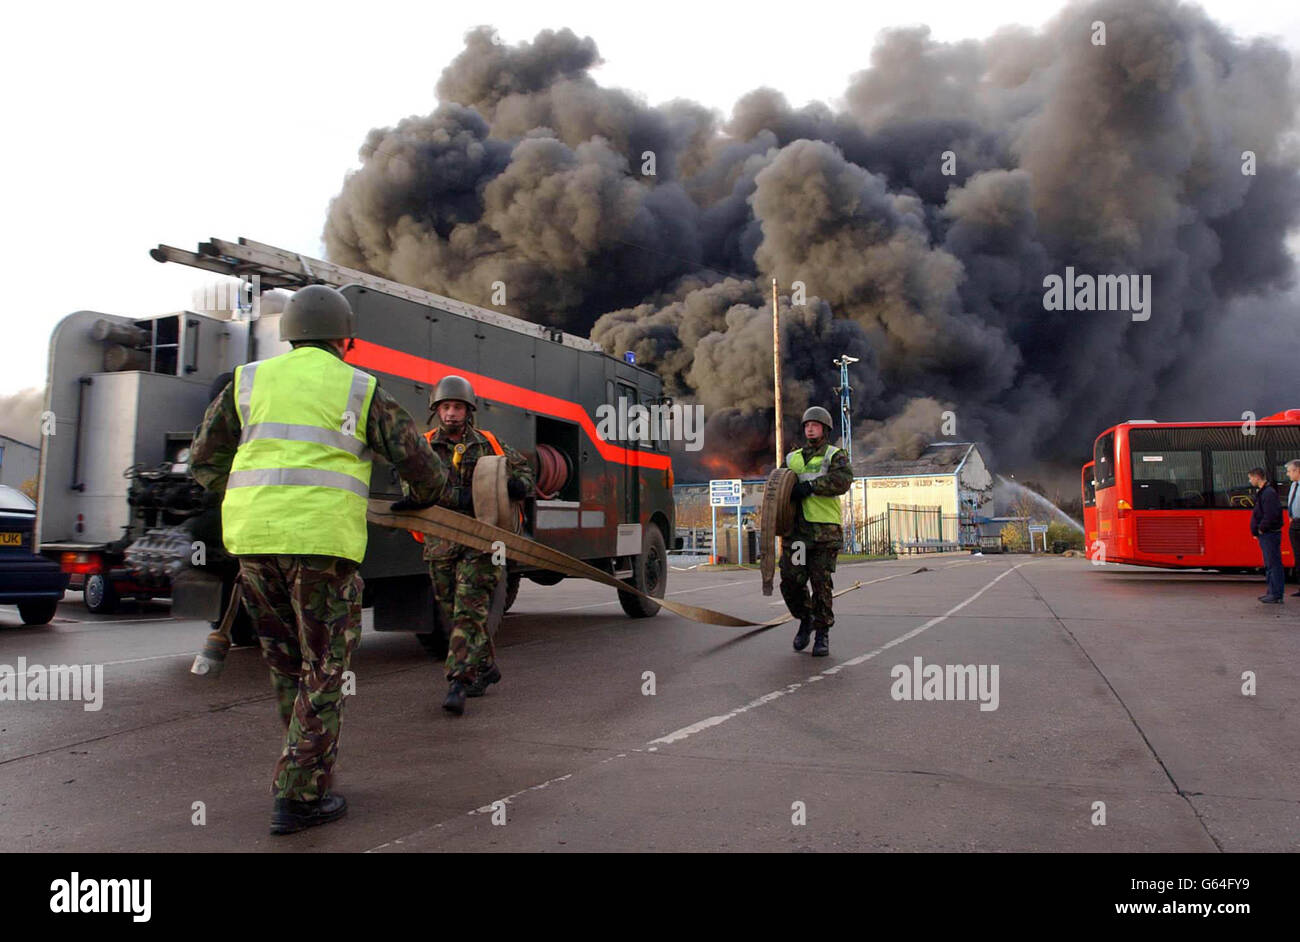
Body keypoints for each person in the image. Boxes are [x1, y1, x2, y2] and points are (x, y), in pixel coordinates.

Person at [190, 285, 448, 835]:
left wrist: (239, 497)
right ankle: (299, 795)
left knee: (286, 663)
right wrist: (418, 498)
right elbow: (422, 463)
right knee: (326, 667)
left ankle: (309, 775)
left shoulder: (249, 380)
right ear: (345, 338)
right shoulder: (360, 387)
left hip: (255, 542)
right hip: (322, 546)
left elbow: (203, 458)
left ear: (289, 333)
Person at [413, 375, 534, 715]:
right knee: (454, 612)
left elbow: (525, 475)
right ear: (437, 410)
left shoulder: (488, 444)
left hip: (481, 542)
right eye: (446, 407)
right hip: (440, 545)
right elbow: (410, 482)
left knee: (468, 611)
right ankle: (487, 667)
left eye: (458, 407)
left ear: (469, 411)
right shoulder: (423, 445)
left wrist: (512, 484)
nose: (451, 414)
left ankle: (457, 682)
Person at [780, 406, 852, 656]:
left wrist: (810, 487)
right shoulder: (792, 458)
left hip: (824, 534)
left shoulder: (835, 455)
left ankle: (822, 634)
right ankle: (805, 619)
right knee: (791, 580)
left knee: (821, 585)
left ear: (826, 429)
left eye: (815, 424)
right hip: (797, 534)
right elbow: (778, 484)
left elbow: (843, 481)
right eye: (807, 424)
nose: (810, 428)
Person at [1248, 467, 1284, 604]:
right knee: (1269, 564)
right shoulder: (1265, 492)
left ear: (1257, 477)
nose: (1250, 480)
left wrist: (1261, 529)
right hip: (1266, 534)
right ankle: (1272, 592)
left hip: (1269, 534)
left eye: (1250, 477)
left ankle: (1276, 594)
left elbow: (1271, 514)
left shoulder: (1268, 493)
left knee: (1273, 564)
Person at [1286, 459, 1300, 596]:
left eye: (1290, 471)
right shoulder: (1293, 486)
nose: (1288, 474)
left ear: (1297, 471)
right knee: (1298, 556)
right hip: (1294, 523)